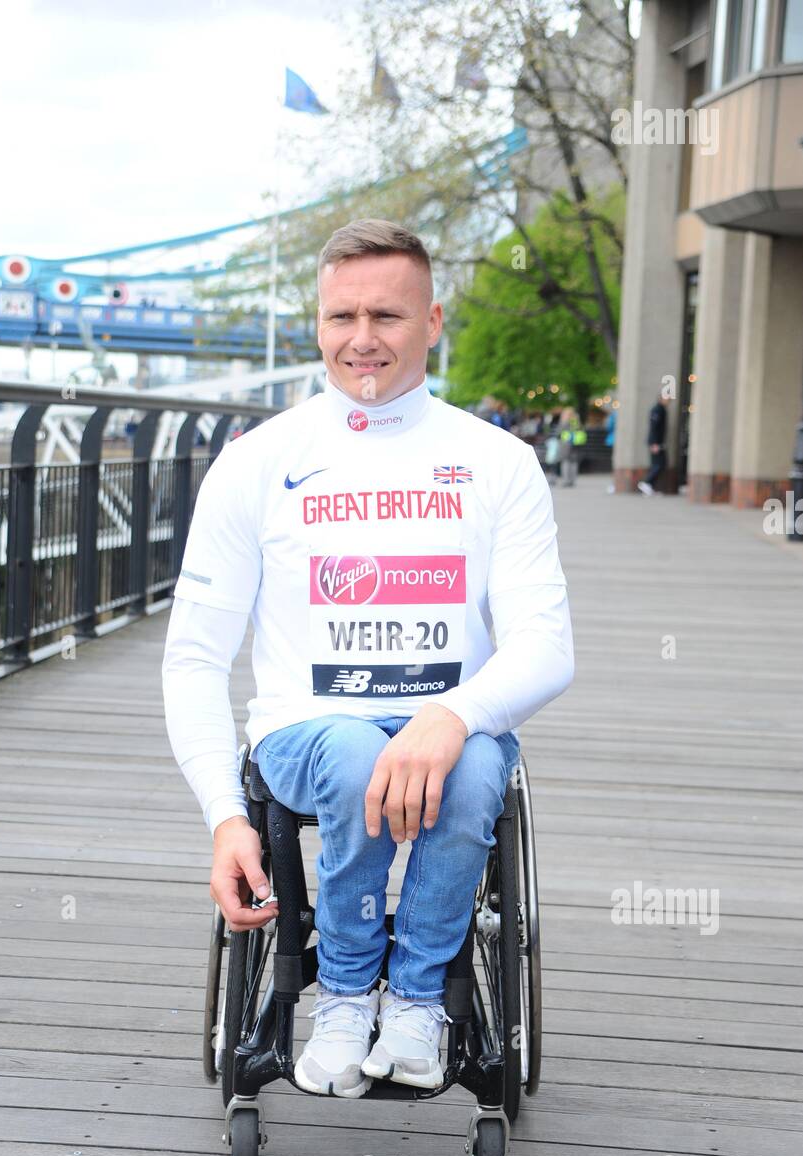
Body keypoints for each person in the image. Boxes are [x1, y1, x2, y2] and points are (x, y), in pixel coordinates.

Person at [161, 219, 574, 1099]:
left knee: (468, 777)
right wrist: (224, 818)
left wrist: (451, 714)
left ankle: (417, 1002)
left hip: (450, 728)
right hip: (307, 730)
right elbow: (195, 656)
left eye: (385, 314)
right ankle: (346, 995)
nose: (360, 339)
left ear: (431, 321)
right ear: (316, 321)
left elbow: (546, 643)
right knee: (353, 760)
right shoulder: (255, 464)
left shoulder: (499, 462)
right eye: (339, 316)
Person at [638, 395, 667, 494]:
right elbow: (654, 427)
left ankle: (648, 485)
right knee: (659, 464)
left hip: (658, 442)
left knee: (658, 464)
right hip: (656, 443)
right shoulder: (657, 410)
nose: (669, 401)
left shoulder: (661, 409)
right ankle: (646, 483)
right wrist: (654, 443)